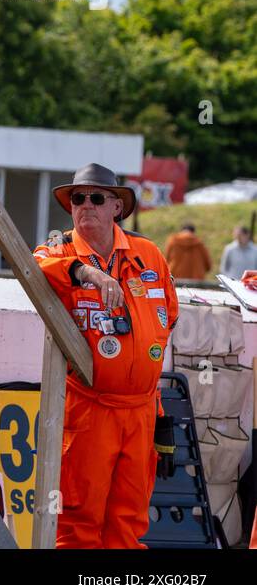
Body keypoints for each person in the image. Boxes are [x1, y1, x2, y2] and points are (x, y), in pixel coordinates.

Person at [32, 163, 179, 549]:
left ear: (117, 207)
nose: (86, 206)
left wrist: (160, 417)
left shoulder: (149, 255)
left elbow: (167, 327)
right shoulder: (59, 249)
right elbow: (34, 265)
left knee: (129, 525)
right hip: (89, 411)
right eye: (78, 198)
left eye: (97, 198)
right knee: (78, 524)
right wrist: (89, 274)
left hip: (141, 413)